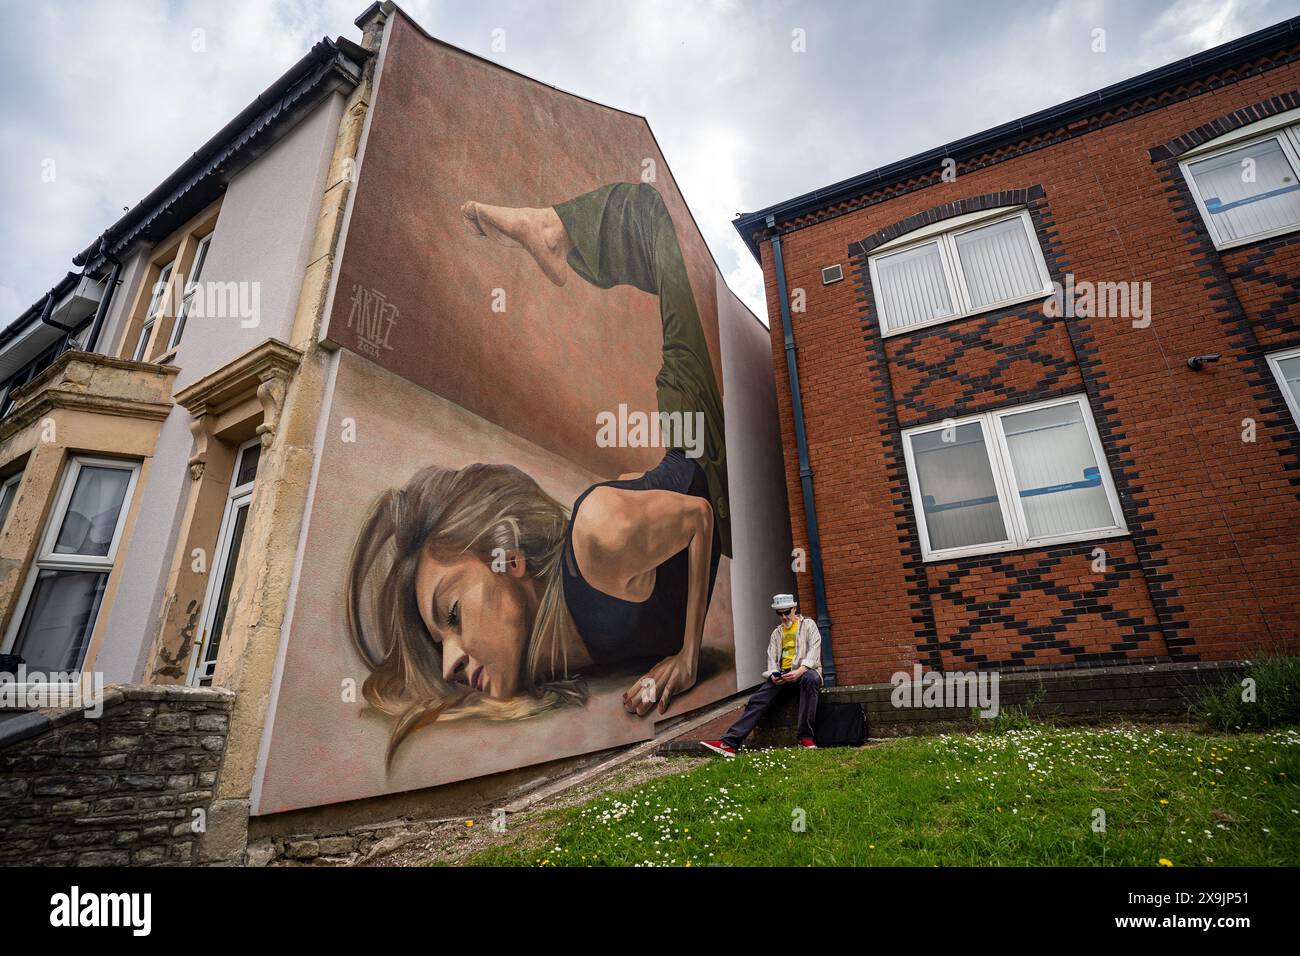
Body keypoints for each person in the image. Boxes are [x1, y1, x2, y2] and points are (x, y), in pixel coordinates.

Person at [346, 182, 731, 763]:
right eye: (443, 640)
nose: (450, 661)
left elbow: (700, 516)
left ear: (508, 554)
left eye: (451, 616)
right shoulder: (550, 647)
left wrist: (687, 655)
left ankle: (553, 228)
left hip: (699, 457)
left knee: (653, 226)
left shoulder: (598, 539)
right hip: (650, 492)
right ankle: (554, 231)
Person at [701, 594, 823, 756]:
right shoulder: (776, 633)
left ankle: (805, 738)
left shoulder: (808, 625)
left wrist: (800, 671)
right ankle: (729, 743)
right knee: (758, 698)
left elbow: (814, 652)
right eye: (780, 614)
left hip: (804, 673)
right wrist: (773, 676)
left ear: (794, 608)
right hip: (784, 677)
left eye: (787, 612)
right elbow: (771, 659)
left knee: (811, 678)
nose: (784, 617)